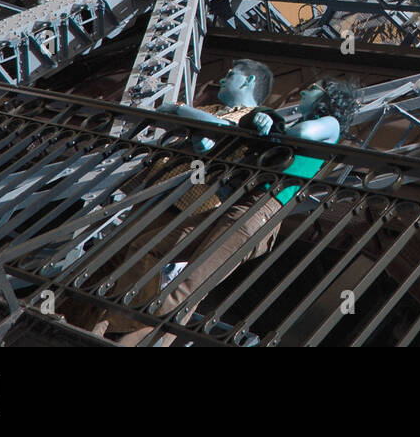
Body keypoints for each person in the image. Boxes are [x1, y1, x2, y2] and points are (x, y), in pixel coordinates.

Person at [68, 66, 358, 345]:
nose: (304, 93)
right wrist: (267, 121)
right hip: (238, 202)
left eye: (311, 89)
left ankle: (119, 333)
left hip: (262, 209)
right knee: (148, 246)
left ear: (327, 99)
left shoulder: (330, 124)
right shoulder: (295, 124)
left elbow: (302, 135)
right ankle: (113, 319)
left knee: (190, 284)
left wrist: (275, 126)